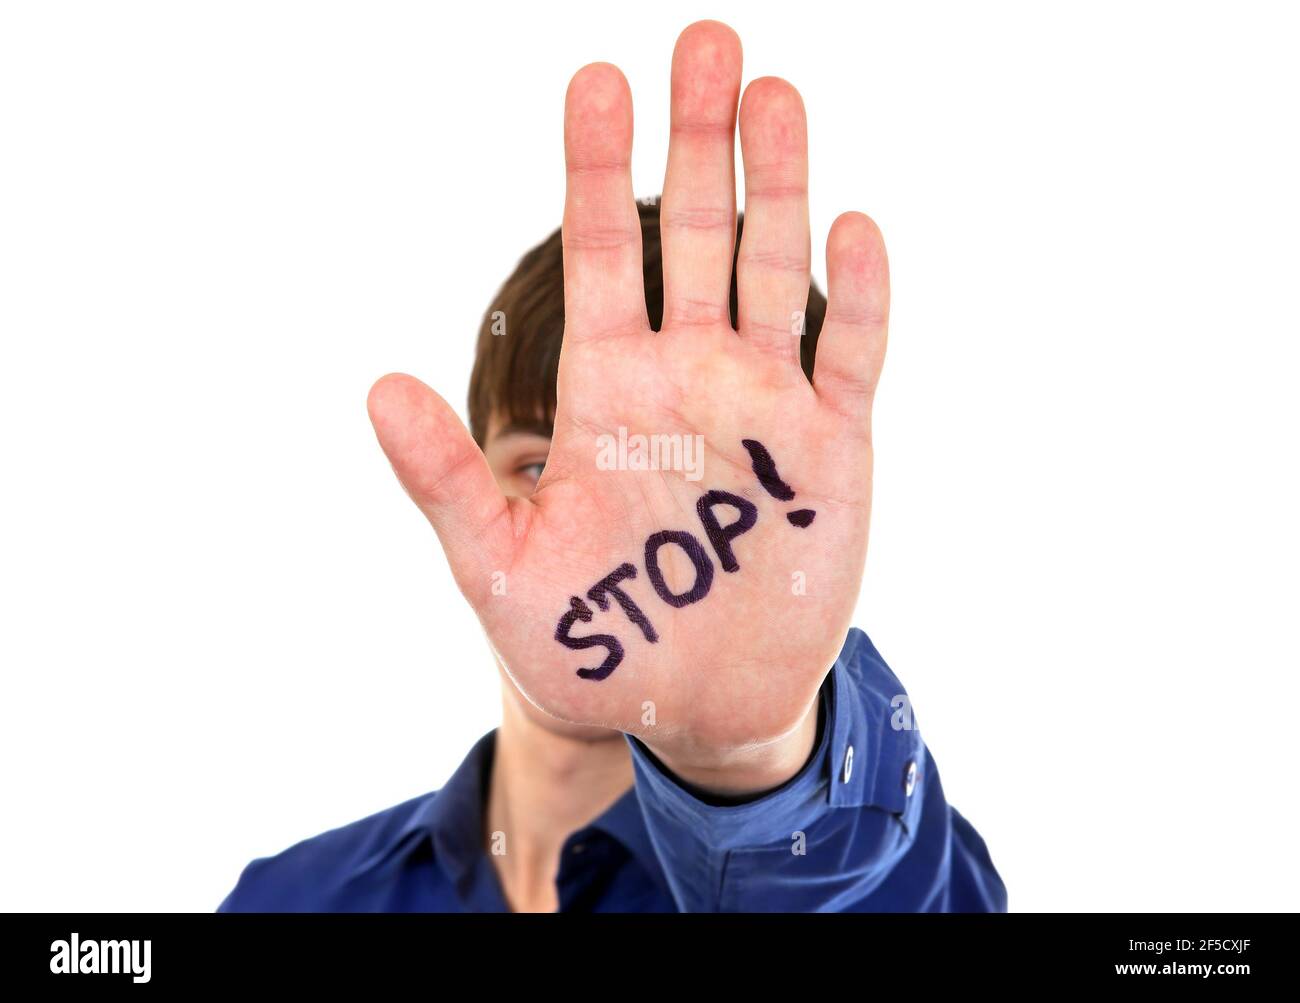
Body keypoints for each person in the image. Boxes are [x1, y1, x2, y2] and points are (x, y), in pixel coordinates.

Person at [217, 19, 1006, 913]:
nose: (594, 526)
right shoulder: (292, 897)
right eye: (535, 466)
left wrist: (746, 763)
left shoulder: (885, 875)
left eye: (687, 477)